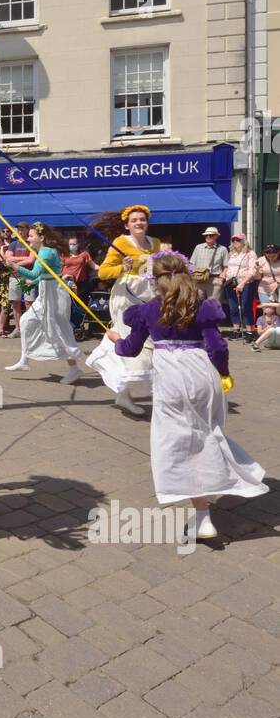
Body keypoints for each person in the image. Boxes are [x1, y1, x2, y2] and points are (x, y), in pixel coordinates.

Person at [106, 252, 267, 541]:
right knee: (207, 431)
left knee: (174, 440)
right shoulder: (202, 305)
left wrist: (115, 341)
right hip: (202, 371)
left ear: (155, 280)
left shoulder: (148, 310)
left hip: (171, 376)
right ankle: (217, 494)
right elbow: (217, 347)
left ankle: (203, 512)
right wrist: (223, 372)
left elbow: (130, 349)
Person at [85, 204, 162, 415]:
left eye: (142, 220)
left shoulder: (154, 243)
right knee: (134, 341)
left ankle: (134, 392)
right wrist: (123, 267)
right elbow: (103, 273)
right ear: (127, 225)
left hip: (149, 295)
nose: (139, 223)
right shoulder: (120, 242)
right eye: (134, 220)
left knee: (153, 343)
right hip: (126, 298)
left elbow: (155, 269)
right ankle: (126, 393)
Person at [3, 223, 83, 381]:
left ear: (42, 237)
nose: (28, 238)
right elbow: (47, 274)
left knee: (59, 330)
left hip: (55, 294)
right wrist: (32, 283)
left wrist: (14, 266)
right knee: (26, 321)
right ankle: (24, 360)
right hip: (47, 290)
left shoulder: (45, 252)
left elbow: (34, 273)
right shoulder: (45, 251)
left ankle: (74, 368)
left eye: (31, 236)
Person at [221, 234, 259, 339]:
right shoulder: (231, 254)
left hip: (246, 282)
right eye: (233, 240)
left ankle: (249, 332)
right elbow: (227, 267)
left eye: (237, 240)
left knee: (246, 307)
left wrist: (242, 283)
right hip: (231, 282)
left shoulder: (250, 254)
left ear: (243, 241)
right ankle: (236, 330)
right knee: (233, 307)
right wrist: (224, 273)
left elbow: (252, 270)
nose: (235, 242)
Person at [5, 223, 32, 336]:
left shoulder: (31, 244)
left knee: (29, 303)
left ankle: (30, 329)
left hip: (28, 276)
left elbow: (31, 260)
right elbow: (8, 258)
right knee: (15, 303)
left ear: (27, 230)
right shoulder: (13, 244)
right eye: (18, 229)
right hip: (14, 277)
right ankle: (18, 328)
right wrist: (24, 258)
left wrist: (15, 262)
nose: (20, 231)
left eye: (22, 229)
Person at [190, 227, 229, 303]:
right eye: (206, 235)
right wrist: (194, 275)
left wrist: (222, 277)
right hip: (199, 280)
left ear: (216, 236)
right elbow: (192, 263)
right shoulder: (198, 247)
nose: (208, 237)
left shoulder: (222, 249)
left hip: (214, 279)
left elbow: (226, 266)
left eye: (210, 235)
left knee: (213, 305)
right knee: (198, 304)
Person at [254, 243, 280, 311]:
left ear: (278, 252)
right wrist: (257, 271)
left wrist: (277, 282)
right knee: (267, 311)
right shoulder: (261, 260)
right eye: (267, 252)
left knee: (278, 311)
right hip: (265, 290)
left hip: (278, 290)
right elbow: (257, 278)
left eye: (273, 252)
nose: (270, 255)